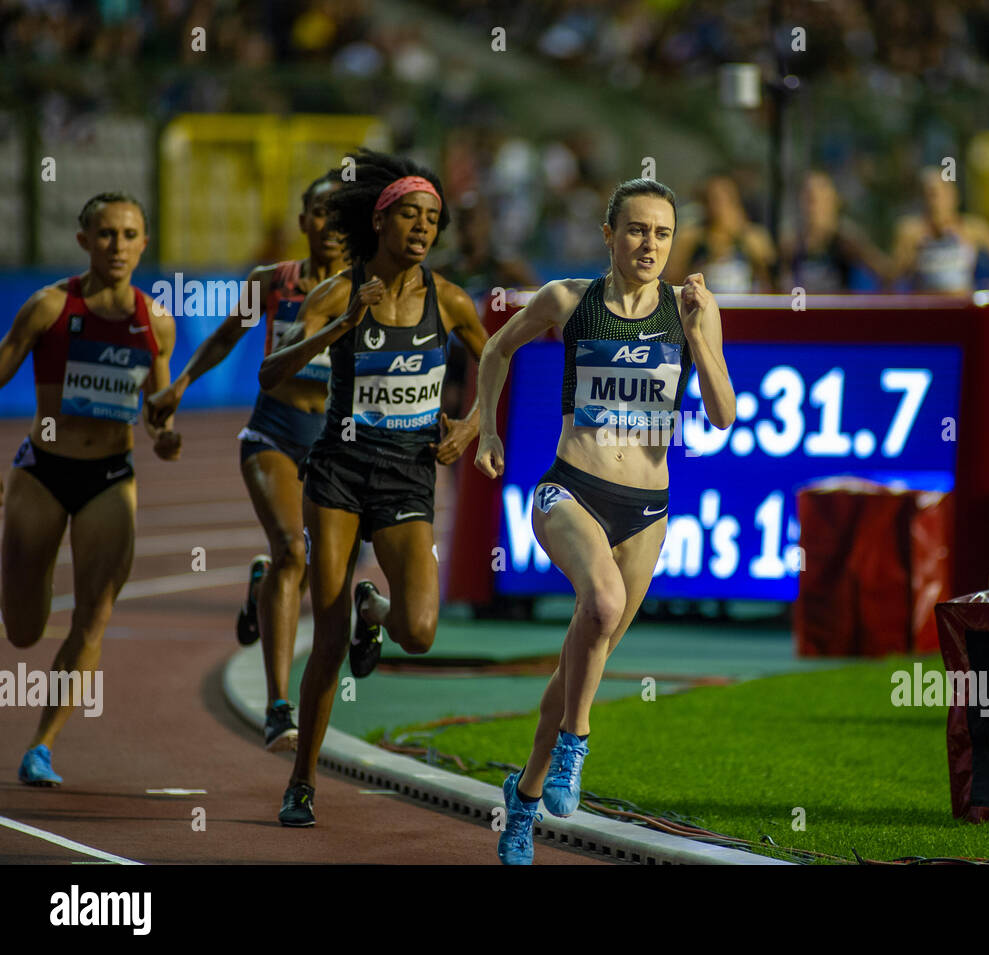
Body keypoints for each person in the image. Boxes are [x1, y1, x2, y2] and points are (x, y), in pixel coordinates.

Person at [475, 178, 736, 865]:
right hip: (570, 490)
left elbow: (723, 411)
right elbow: (495, 349)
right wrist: (488, 434)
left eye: (662, 233)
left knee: (576, 664)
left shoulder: (692, 311)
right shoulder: (568, 300)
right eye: (637, 230)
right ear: (609, 234)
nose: (649, 244)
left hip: (647, 510)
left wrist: (701, 330)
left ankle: (524, 799)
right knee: (604, 602)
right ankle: (576, 746)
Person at [258, 150, 488, 827]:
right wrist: (339, 328)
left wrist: (472, 424)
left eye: (433, 219)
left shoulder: (449, 300)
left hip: (407, 471)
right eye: (411, 215)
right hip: (338, 470)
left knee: (418, 629)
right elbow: (272, 373)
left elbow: (499, 361)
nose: (423, 228)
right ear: (382, 220)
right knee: (326, 637)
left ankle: (375, 611)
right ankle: (301, 780)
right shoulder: (337, 291)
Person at [145, 170, 348, 752]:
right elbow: (226, 337)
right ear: (303, 220)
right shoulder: (273, 282)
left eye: (340, 216)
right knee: (291, 549)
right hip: (275, 431)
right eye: (318, 213)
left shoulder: (368, 287)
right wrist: (179, 385)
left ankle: (264, 589)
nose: (328, 226)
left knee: (328, 572)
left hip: (339, 440)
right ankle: (277, 707)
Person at [0, 192, 181, 785]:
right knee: (24, 629)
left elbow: (158, 408)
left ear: (145, 243)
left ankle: (42, 747)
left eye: (130, 235)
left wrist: (164, 434)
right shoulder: (49, 307)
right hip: (43, 472)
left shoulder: (156, 322)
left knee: (92, 619)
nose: (119, 246)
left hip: (110, 478)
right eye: (106, 234)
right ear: (84, 241)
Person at [892, 166, 989, 294]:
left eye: (937, 194)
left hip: (960, 308)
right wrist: (908, 262)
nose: (934, 202)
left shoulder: (972, 228)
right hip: (926, 309)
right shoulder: (910, 231)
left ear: (953, 196)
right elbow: (892, 276)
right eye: (927, 195)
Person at [782, 170, 892, 291]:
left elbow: (885, 273)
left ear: (834, 202)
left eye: (822, 198)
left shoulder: (847, 240)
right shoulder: (792, 244)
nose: (815, 206)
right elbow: (778, 286)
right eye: (811, 200)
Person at [665, 173, 776, 292]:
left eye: (726, 199)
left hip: (743, 306)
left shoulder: (754, 237)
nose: (718, 206)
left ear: (737, 201)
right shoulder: (689, 237)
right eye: (712, 199)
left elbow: (771, 282)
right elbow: (670, 281)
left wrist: (742, 237)